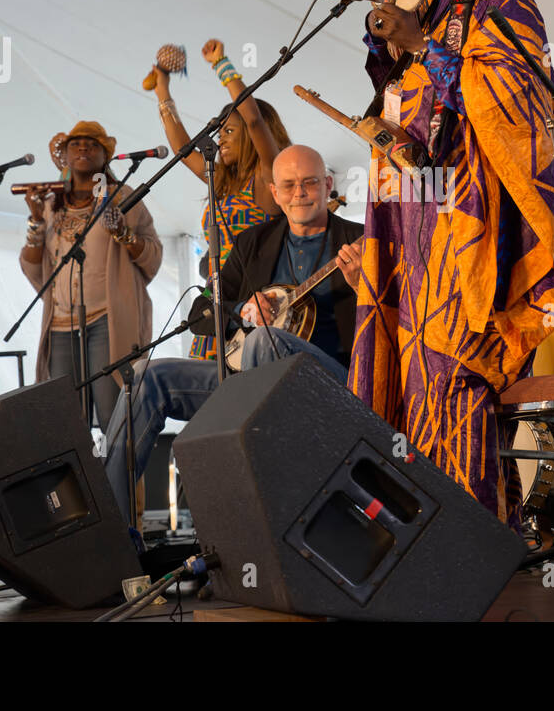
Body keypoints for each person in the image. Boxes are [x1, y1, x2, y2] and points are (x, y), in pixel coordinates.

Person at [351, 0, 554, 528]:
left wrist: (420, 45)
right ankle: (445, 541)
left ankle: (472, 546)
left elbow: (512, 102)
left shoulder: (505, 0)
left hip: (475, 234)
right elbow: (409, 102)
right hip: (419, 232)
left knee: (460, 382)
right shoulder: (439, 8)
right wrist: (388, 49)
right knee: (420, 388)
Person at [103, 145, 363, 524]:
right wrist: (242, 310)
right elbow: (201, 313)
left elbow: (401, 317)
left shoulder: (362, 241)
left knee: (263, 341)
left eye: (309, 183)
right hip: (247, 382)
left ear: (328, 185)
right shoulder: (252, 243)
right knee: (147, 375)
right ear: (274, 192)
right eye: (288, 185)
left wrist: (364, 288)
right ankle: (113, 530)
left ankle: (248, 505)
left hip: (332, 382)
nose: (299, 193)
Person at [152, 39, 291, 360]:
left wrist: (221, 65)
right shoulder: (221, 181)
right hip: (219, 299)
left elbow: (254, 118)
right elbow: (183, 150)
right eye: (220, 132)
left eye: (229, 131)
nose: (220, 139)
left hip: (254, 299)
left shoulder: (268, 175)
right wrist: (162, 90)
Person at [20, 121, 163, 429]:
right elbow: (33, 267)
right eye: (75, 144)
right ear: (65, 157)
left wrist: (123, 233)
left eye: (92, 144)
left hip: (106, 321)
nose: (83, 148)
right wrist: (35, 221)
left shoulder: (123, 198)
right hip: (59, 324)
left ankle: (117, 477)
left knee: (115, 417)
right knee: (67, 422)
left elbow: (152, 258)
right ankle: (77, 478)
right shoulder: (49, 205)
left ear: (105, 157)